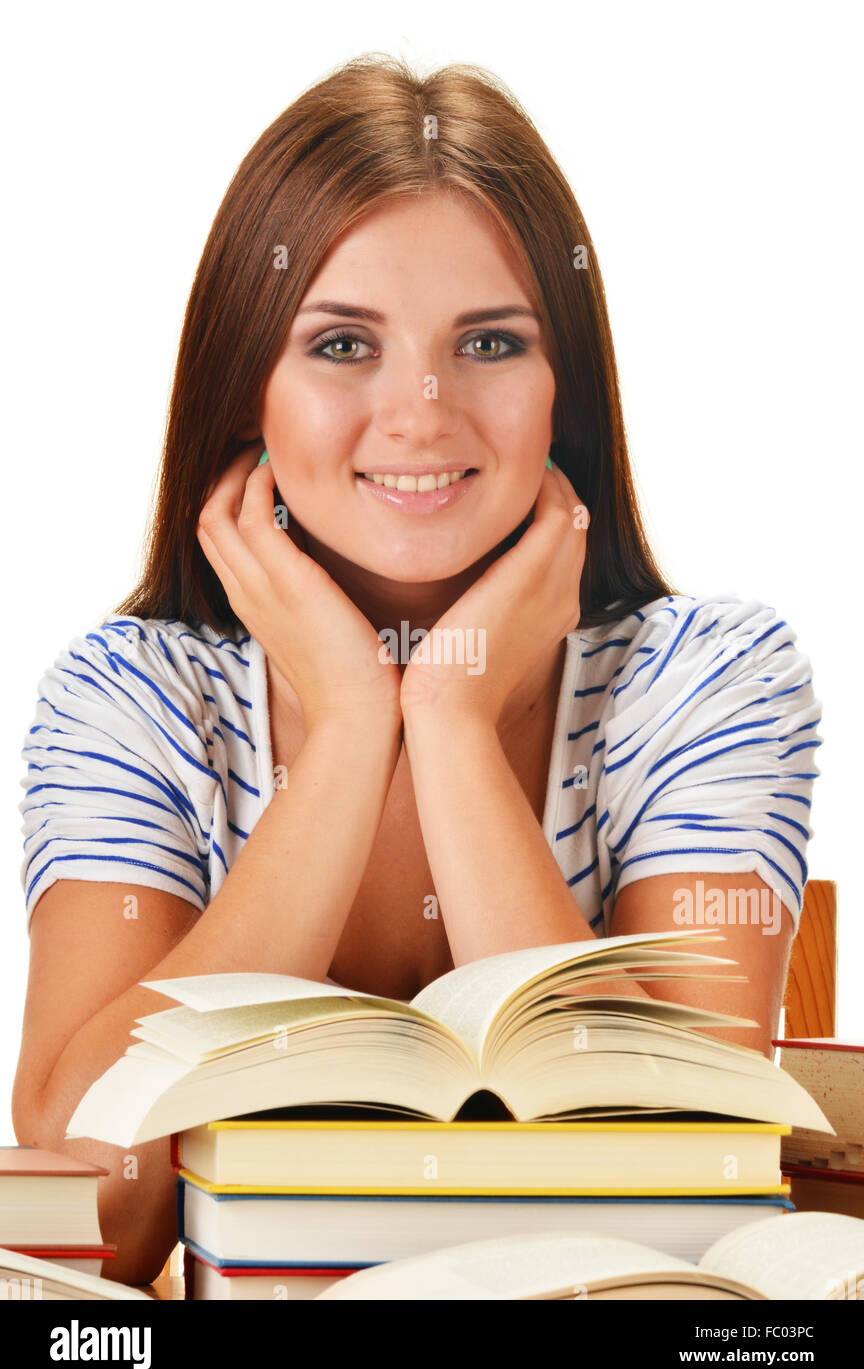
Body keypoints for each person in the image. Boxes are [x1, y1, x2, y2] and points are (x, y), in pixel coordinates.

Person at [11, 54, 822, 1287]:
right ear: (249, 396)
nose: (423, 412)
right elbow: (94, 1210)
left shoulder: (714, 679)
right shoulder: (131, 695)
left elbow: (693, 1198)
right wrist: (344, 734)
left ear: (568, 391)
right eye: (343, 343)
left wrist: (446, 717)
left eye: (490, 341)